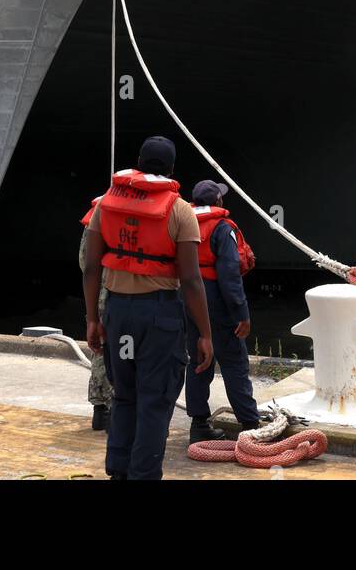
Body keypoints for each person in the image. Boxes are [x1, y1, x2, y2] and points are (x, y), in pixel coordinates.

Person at [83, 135, 213, 480]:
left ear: (138, 162)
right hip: (159, 317)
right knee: (155, 402)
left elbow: (92, 267)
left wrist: (92, 320)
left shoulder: (106, 205)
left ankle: (119, 472)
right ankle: (144, 475)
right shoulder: (179, 209)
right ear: (171, 169)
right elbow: (191, 280)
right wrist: (204, 334)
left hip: (117, 312)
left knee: (125, 396)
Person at [184, 180, 261, 442]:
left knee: (197, 361)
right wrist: (242, 313)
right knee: (234, 362)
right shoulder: (222, 229)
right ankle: (250, 424)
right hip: (216, 300)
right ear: (218, 202)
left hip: (187, 299)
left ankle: (198, 424)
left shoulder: (182, 224)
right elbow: (229, 275)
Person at [79, 194, 113, 429]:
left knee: (99, 351)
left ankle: (99, 410)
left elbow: (85, 261)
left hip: (99, 291)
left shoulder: (96, 217)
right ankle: (114, 407)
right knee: (121, 351)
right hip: (118, 292)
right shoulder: (125, 217)